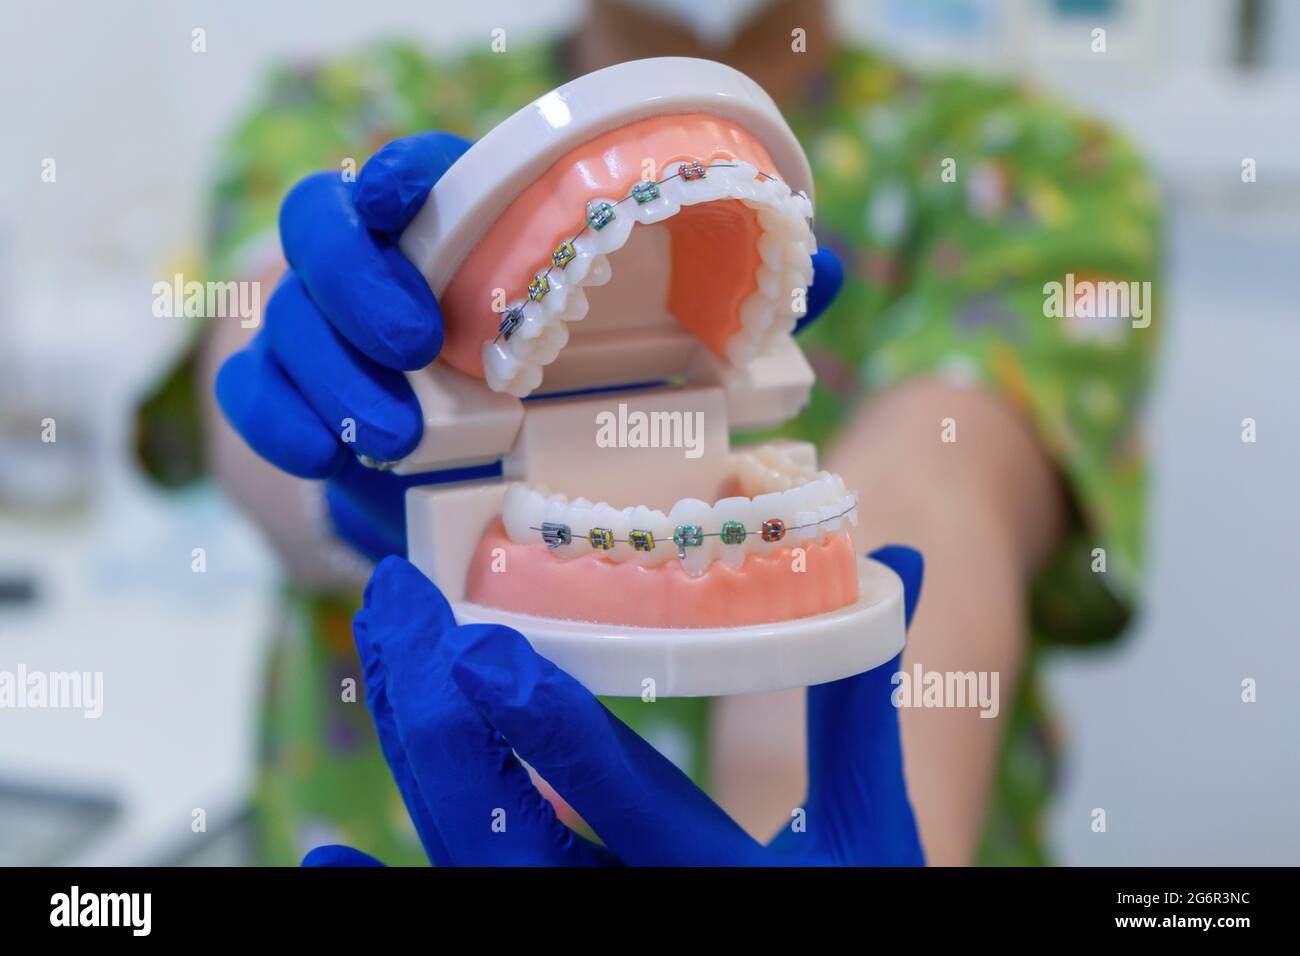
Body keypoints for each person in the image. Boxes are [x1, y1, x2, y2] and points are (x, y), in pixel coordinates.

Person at [137, 0, 1160, 865]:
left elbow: (941, 477)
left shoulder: (1036, 168)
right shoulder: (344, 106)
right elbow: (258, 351)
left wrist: (787, 802)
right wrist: (356, 435)